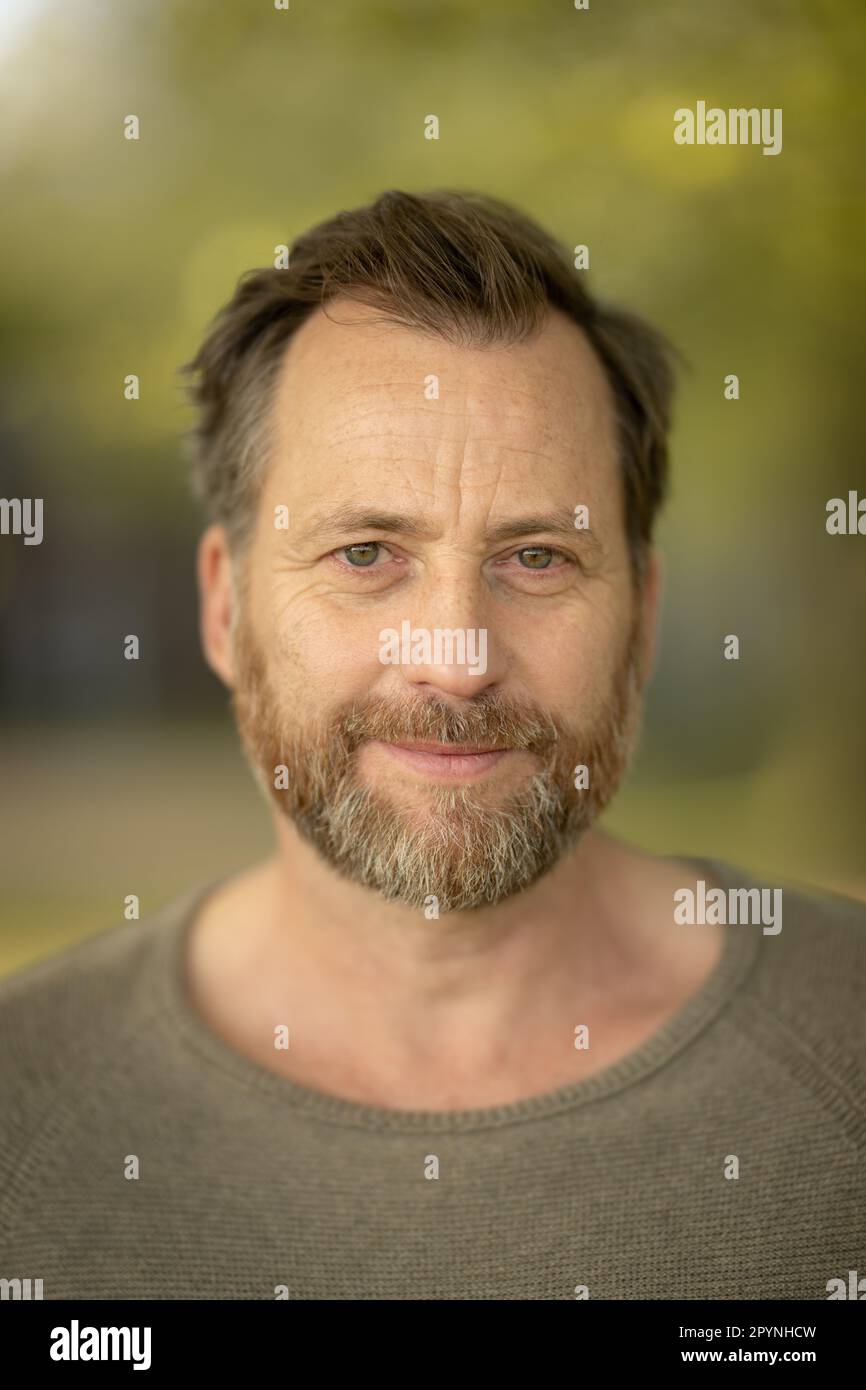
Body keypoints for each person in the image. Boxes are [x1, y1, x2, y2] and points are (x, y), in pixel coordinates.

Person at [1, 190, 863, 1301]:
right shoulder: (23, 1108)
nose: (455, 655)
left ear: (641, 621)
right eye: (364, 553)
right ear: (224, 610)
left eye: (538, 557)